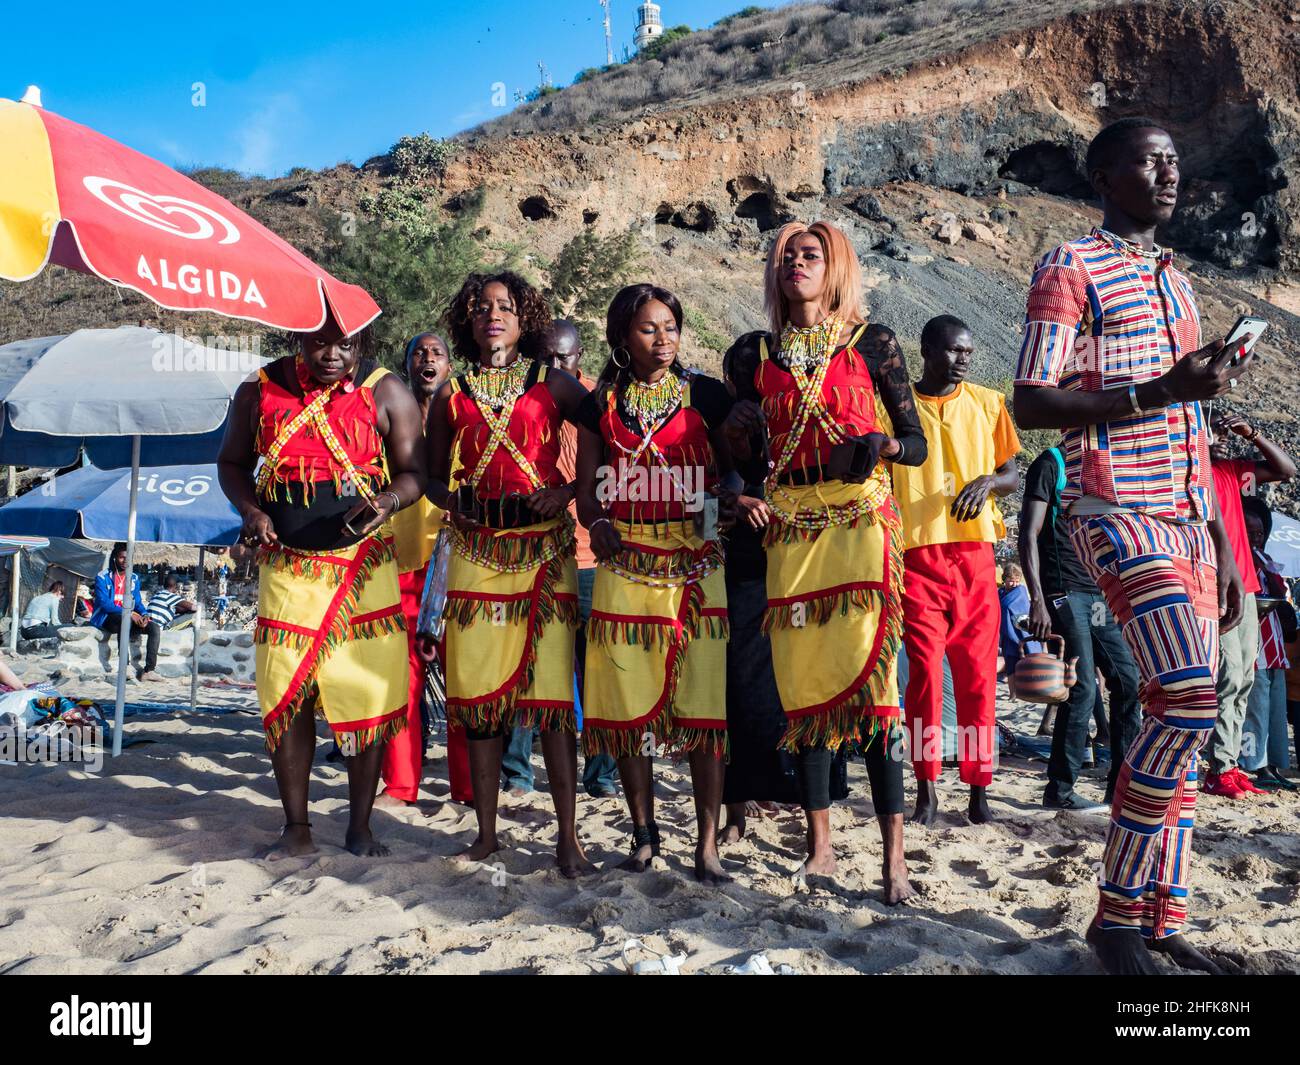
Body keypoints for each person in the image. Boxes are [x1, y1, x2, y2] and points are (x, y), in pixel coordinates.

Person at [1014, 116, 1254, 975]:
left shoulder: (1181, 287)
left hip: (1191, 522)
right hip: (1115, 512)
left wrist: (1226, 546)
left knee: (1176, 721)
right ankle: (1115, 919)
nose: (1168, 172)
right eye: (1149, 160)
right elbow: (1031, 404)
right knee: (1188, 699)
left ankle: (1160, 917)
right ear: (1104, 175)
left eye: (1175, 160)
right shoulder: (1068, 266)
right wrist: (1157, 387)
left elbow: (1194, 421)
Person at [734, 220, 927, 903]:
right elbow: (743, 451)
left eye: (809, 255)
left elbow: (916, 442)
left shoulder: (872, 343)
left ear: (836, 265)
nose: (796, 264)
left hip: (860, 523)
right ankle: (821, 847)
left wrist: (881, 445)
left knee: (874, 693)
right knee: (806, 690)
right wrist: (739, 450)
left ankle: (895, 858)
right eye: (786, 255)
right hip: (791, 531)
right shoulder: (751, 354)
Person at [217, 318, 425, 859]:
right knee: (288, 695)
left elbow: (413, 473)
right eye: (319, 343)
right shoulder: (259, 389)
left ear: (363, 344)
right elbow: (232, 462)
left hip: (363, 570)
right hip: (287, 569)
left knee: (366, 696)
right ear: (299, 341)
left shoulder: (387, 392)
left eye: (346, 344)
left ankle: (360, 826)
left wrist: (386, 503)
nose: (333, 355)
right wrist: (251, 509)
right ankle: (296, 827)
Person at [423, 272, 592, 878]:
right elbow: (430, 474)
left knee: (550, 702)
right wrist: (454, 500)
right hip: (476, 556)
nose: (493, 315)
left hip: (544, 553)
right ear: (468, 323)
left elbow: (604, 427)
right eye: (482, 308)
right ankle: (488, 833)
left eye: (506, 307)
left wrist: (571, 488)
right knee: (481, 698)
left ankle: (568, 838)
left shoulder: (554, 383)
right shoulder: (452, 392)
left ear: (526, 321)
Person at [575, 284, 740, 884]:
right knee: (627, 706)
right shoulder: (602, 403)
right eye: (649, 329)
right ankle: (644, 834)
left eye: (671, 326)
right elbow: (588, 485)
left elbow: (736, 463)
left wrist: (727, 494)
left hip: (697, 564)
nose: (663, 338)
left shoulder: (707, 395)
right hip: (626, 567)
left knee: (702, 708)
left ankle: (706, 845)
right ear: (623, 337)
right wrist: (597, 522)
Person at [888, 315, 1020, 825]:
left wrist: (989, 483)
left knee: (976, 676)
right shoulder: (895, 408)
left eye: (969, 352)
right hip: (917, 554)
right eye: (954, 351)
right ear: (926, 350)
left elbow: (1011, 472)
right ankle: (925, 786)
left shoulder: (988, 403)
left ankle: (979, 787)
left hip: (975, 556)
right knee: (922, 676)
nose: (964, 359)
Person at [502, 319, 620, 800]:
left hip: (590, 556)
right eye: (545, 358)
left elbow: (615, 465)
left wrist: (568, 492)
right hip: (536, 552)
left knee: (599, 669)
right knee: (529, 664)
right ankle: (517, 772)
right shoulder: (520, 398)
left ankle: (602, 773)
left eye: (563, 358)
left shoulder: (596, 403)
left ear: (580, 356)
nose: (554, 368)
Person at [1020, 444, 1141, 808]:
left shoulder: (1102, 467)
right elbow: (1027, 533)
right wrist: (1037, 599)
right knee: (1083, 688)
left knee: (1127, 680)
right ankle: (1060, 790)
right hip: (1063, 592)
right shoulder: (1051, 463)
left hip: (1098, 596)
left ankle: (1120, 786)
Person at [717, 331, 801, 840]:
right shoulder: (718, 425)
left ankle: (781, 793)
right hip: (744, 569)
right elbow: (701, 504)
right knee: (742, 688)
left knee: (786, 688)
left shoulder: (795, 416)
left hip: (796, 564)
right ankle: (737, 807)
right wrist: (733, 504)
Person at [378, 331, 462, 808]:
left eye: (438, 353)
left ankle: (469, 786)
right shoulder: (393, 413)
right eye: (419, 353)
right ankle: (401, 785)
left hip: (459, 565)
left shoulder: (465, 415)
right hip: (402, 565)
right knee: (403, 682)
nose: (428, 360)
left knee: (465, 682)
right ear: (408, 364)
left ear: (449, 366)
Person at [1203, 413, 1295, 797]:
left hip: (1248, 586)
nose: (1221, 437)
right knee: (1227, 678)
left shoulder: (1232, 471)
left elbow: (1286, 469)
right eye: (1214, 431)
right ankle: (1219, 767)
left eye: (1222, 431)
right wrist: (1203, 451)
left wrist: (1253, 434)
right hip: (1217, 583)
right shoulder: (1190, 472)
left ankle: (1231, 762)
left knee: (1246, 679)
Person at [1240, 496, 1298, 791]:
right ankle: (1256, 765)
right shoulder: (1237, 561)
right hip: (1253, 647)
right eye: (1250, 533)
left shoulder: (1264, 560)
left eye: (1260, 533)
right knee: (1257, 709)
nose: (1256, 538)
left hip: (1273, 645)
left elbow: (1279, 594)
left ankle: (1274, 765)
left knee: (1276, 711)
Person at [92, 544, 162, 682]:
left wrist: (144, 614)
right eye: (122, 557)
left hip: (128, 617)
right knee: (125, 621)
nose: (125, 561)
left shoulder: (134, 578)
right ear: (114, 558)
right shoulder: (103, 577)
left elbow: (138, 602)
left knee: (154, 628)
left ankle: (149, 671)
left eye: (128, 558)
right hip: (107, 618)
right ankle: (125, 666)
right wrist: (129, 613)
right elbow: (105, 604)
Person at [997, 563, 1040, 678]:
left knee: (1030, 657)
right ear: (1004, 578)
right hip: (1007, 632)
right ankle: (1012, 693)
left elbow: (1021, 609)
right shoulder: (999, 593)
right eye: (1011, 580)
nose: (1015, 584)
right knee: (1010, 660)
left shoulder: (1020, 590)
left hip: (1022, 630)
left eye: (1017, 580)